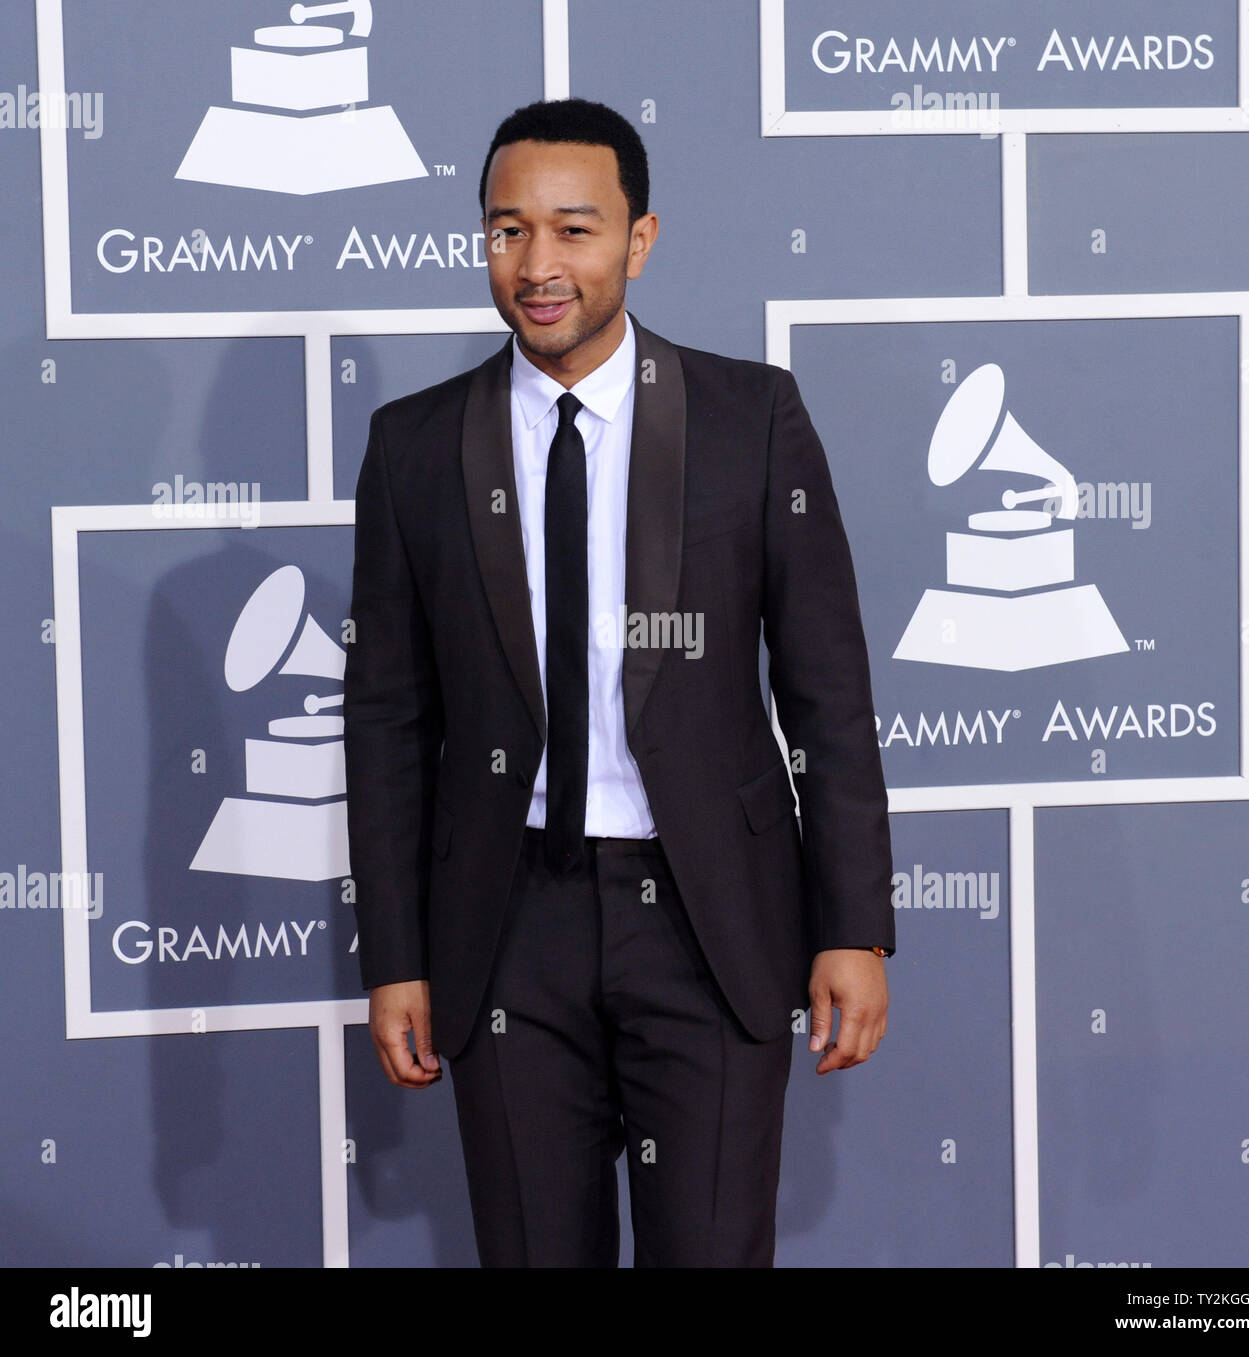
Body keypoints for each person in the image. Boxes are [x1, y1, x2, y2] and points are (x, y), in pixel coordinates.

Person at [343, 97, 894, 1268]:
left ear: (639, 240)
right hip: (507, 924)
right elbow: (388, 720)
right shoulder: (413, 446)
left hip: (709, 919)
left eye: (573, 230)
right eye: (506, 231)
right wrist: (395, 951)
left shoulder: (752, 419)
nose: (537, 266)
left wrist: (852, 923)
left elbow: (827, 689)